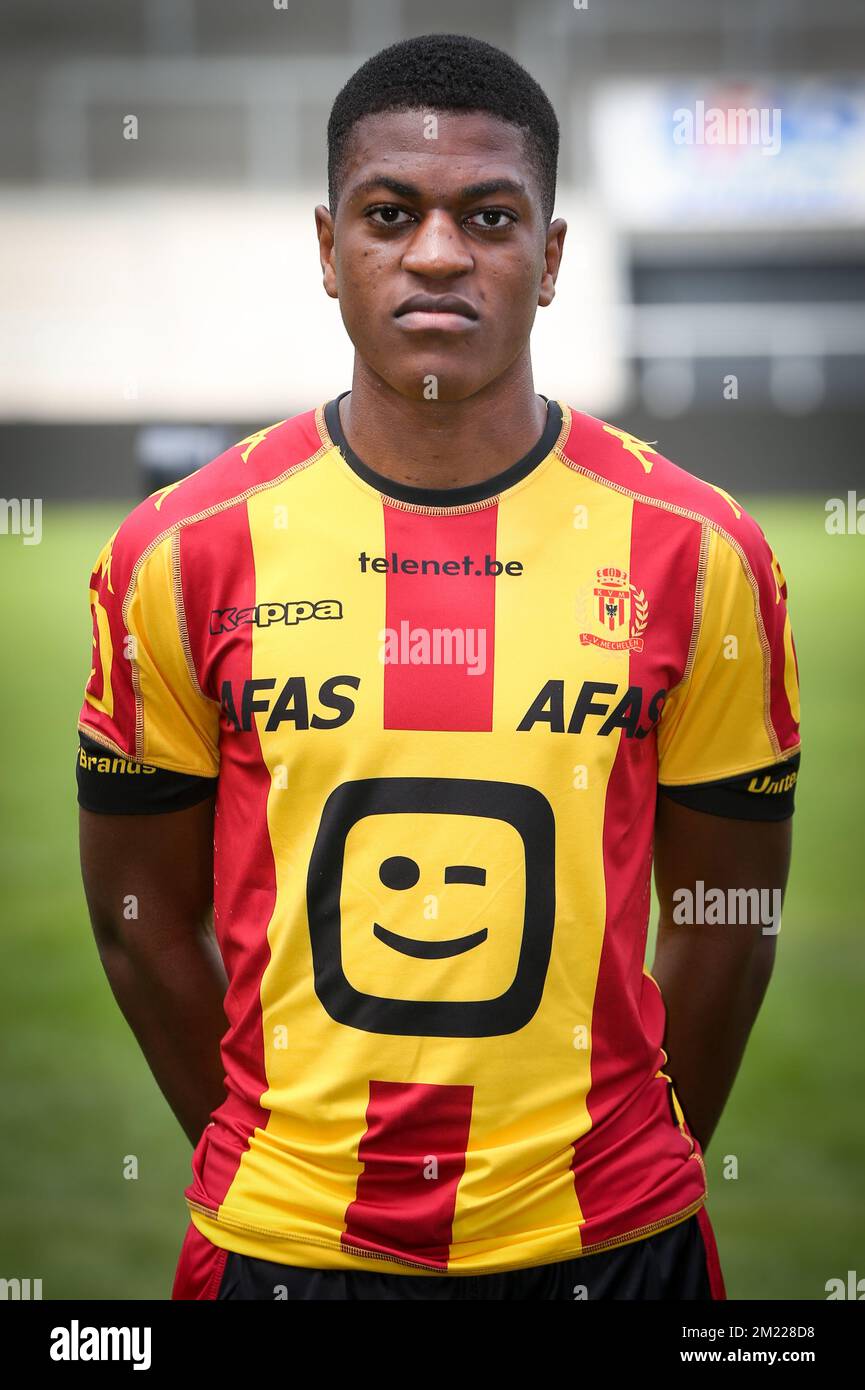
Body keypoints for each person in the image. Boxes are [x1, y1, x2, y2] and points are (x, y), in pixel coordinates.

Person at [77, 33, 800, 1301]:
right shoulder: (180, 550)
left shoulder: (699, 551)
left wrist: (623, 1158)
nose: (437, 253)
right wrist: (280, 1163)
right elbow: (140, 927)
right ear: (326, 246)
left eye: (489, 214)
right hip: (283, 1247)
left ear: (552, 257)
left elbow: (725, 927)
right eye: (390, 213)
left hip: (610, 1243)